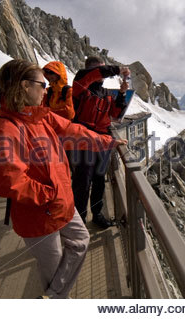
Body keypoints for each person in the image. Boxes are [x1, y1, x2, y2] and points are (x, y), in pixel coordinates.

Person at [0, 59, 127, 299]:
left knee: (80, 241)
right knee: (52, 267)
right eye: (42, 84)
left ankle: (54, 297)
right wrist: (49, 195)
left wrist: (107, 142)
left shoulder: (39, 116)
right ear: (24, 86)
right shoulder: (5, 128)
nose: (46, 89)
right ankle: (57, 300)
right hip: (39, 212)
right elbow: (6, 180)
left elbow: (75, 131)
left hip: (59, 201)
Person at [72, 56, 130, 228]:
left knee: (98, 180)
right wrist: (118, 69)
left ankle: (97, 214)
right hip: (83, 141)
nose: (103, 73)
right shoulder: (80, 85)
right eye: (100, 69)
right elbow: (92, 74)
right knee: (82, 183)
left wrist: (122, 93)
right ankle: (79, 221)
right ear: (90, 70)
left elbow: (115, 113)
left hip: (102, 141)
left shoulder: (106, 93)